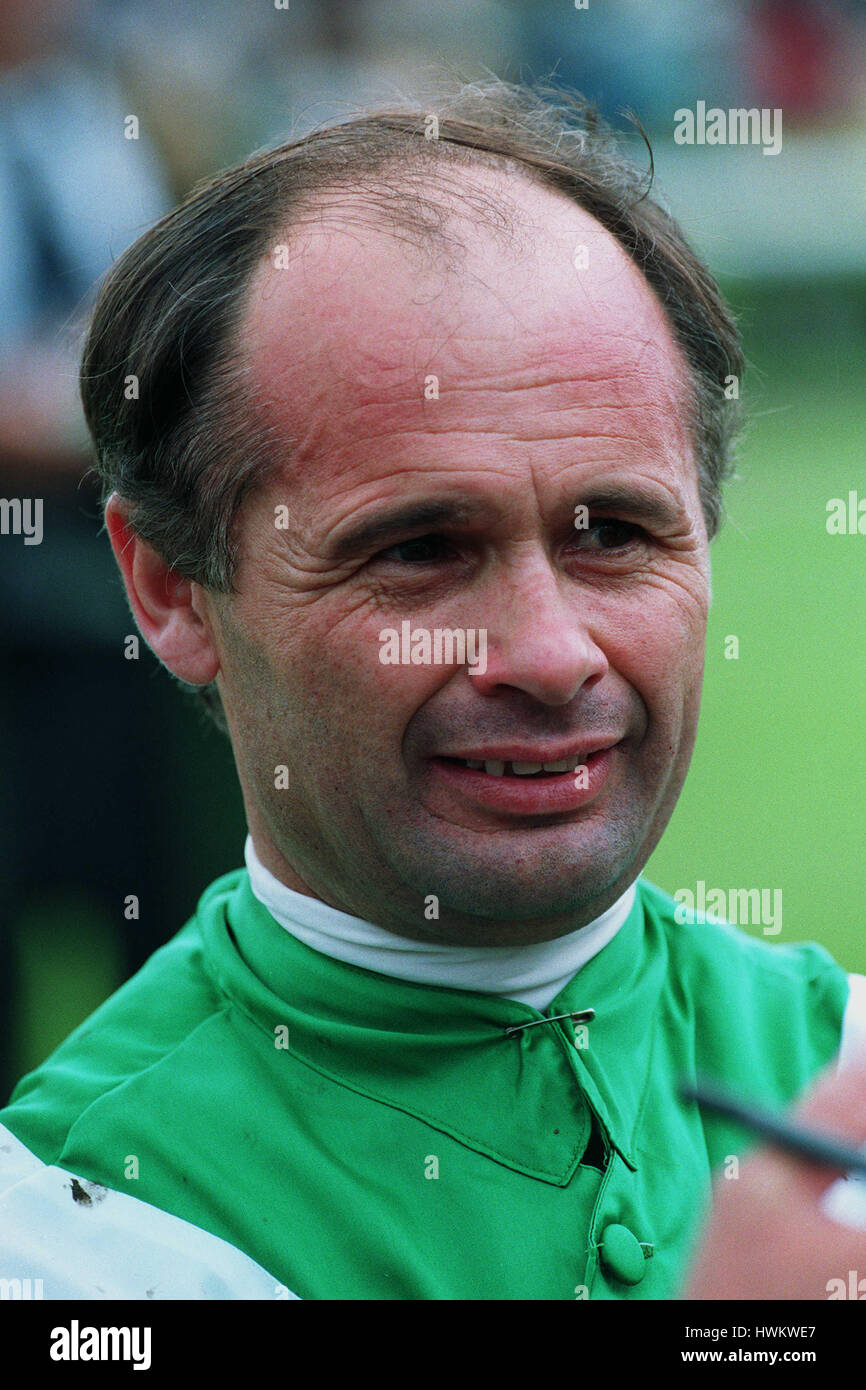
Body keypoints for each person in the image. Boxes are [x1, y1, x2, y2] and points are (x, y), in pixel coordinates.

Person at [1, 79, 864, 1301]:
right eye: (418, 549)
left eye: (613, 531)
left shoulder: (841, 1056)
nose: (549, 650)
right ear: (171, 590)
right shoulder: (73, 1236)